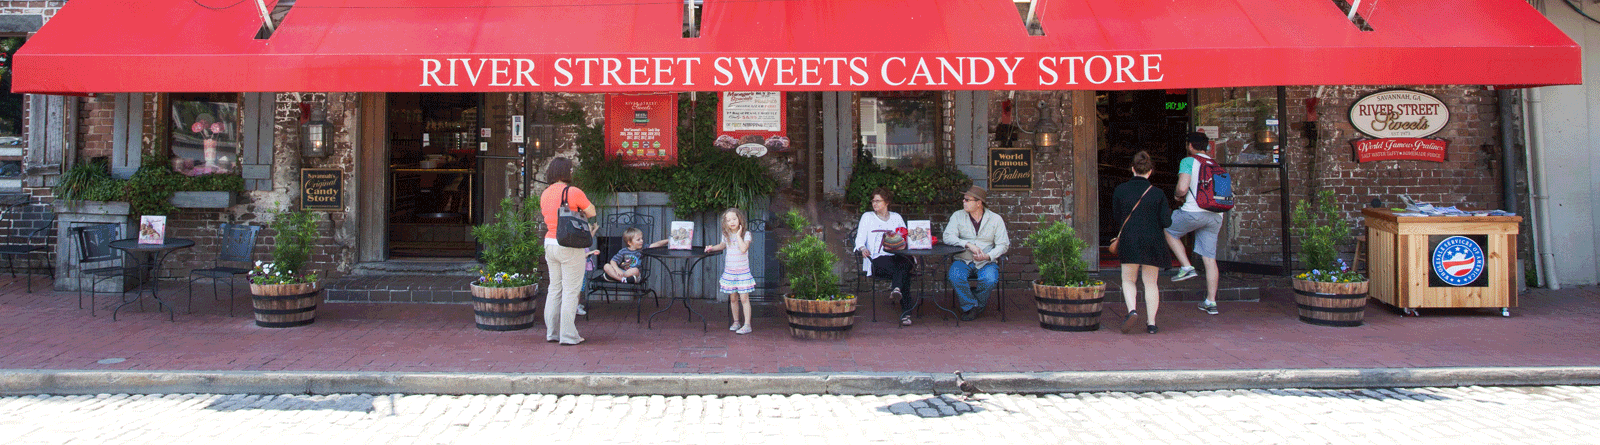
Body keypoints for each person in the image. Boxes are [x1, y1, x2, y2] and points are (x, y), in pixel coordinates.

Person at [1165, 131, 1225, 315]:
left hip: (1194, 211)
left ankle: (1186, 266)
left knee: (1168, 227)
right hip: (1215, 215)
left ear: (1190, 145)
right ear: (1206, 146)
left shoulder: (1188, 161)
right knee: (1209, 259)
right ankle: (1211, 302)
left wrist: (1176, 195)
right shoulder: (1215, 164)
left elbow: (1183, 188)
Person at [1114, 151, 1173, 334]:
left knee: (1128, 279)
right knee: (1150, 283)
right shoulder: (1157, 193)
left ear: (1132, 169)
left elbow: (1116, 218)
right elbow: (1167, 222)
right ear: (1150, 171)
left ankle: (1132, 310)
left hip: (1129, 239)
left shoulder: (1120, 190)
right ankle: (1152, 323)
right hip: (1152, 241)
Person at [540, 157, 596, 346]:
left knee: (554, 288)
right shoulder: (573, 192)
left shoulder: (545, 193)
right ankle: (568, 335)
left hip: (550, 243)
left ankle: (552, 333)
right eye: (570, 170)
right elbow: (591, 212)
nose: (572, 172)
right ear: (566, 172)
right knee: (571, 291)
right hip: (569, 244)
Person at [943, 186, 1010, 321]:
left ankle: (975, 304)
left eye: (967, 199)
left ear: (979, 203)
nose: (964, 201)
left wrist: (988, 256)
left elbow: (1003, 244)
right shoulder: (958, 216)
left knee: (990, 279)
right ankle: (970, 306)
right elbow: (947, 236)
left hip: (986, 261)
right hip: (963, 259)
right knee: (955, 276)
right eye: (964, 199)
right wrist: (967, 244)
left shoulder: (995, 219)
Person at [853, 188, 916, 326]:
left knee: (905, 261)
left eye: (878, 201)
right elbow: (859, 240)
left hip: (898, 256)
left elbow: (906, 238)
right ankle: (905, 312)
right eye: (873, 201)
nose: (874, 204)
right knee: (903, 271)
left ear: (887, 202)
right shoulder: (867, 217)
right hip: (877, 259)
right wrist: (863, 248)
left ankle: (896, 289)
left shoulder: (896, 217)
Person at [705, 207, 756, 334]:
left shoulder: (746, 234)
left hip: (743, 272)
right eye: (728, 220)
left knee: (744, 298)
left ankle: (747, 325)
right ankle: (736, 322)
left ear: (740, 220)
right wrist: (712, 248)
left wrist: (738, 235)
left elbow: (744, 248)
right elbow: (722, 246)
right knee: (733, 298)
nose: (731, 222)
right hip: (730, 272)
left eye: (734, 218)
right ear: (725, 223)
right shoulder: (726, 234)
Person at [602, 227, 668, 284]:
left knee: (635, 270)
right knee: (606, 266)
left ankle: (615, 277)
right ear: (629, 242)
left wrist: (668, 240)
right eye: (638, 240)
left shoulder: (642, 249)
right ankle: (623, 279)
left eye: (642, 239)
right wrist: (617, 270)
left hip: (635, 275)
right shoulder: (623, 251)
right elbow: (613, 261)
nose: (641, 241)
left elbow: (655, 244)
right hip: (623, 272)